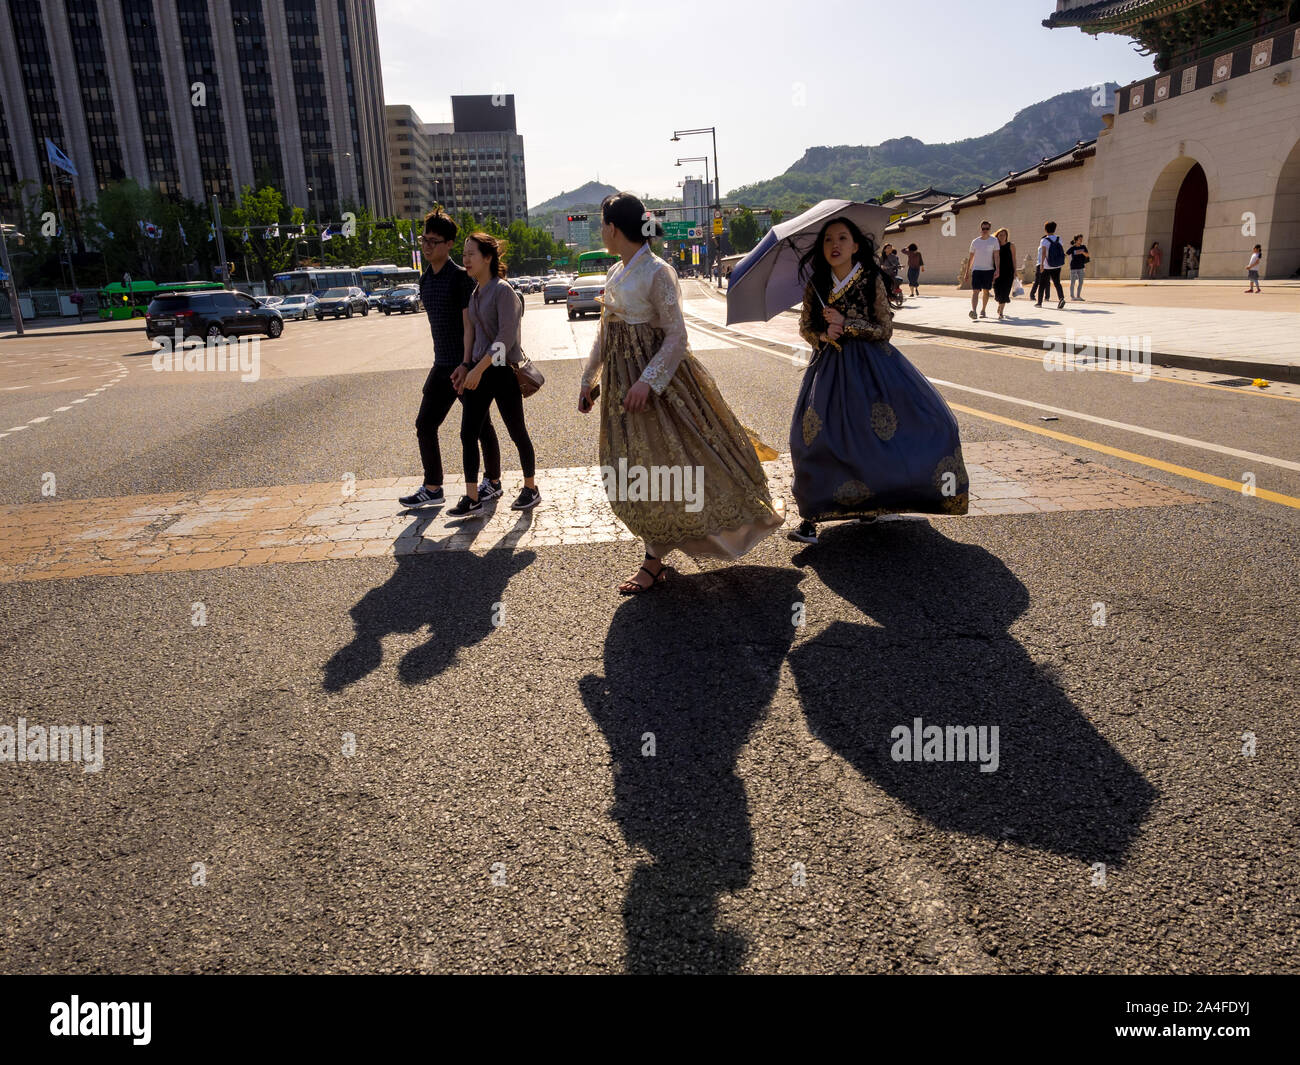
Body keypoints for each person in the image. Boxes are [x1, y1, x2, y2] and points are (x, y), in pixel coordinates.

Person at [578, 192, 782, 593]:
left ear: (614, 228)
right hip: (622, 386)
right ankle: (658, 545)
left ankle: (654, 560)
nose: (601, 231)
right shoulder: (616, 273)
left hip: (658, 388)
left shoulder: (658, 272)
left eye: (602, 224)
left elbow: (676, 336)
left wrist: (647, 382)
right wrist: (589, 379)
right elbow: (606, 332)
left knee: (672, 461)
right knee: (636, 467)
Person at [788, 217, 969, 546]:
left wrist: (848, 323)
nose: (835, 245)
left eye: (842, 238)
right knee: (815, 439)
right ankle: (810, 518)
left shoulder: (871, 280)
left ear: (855, 246)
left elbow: (884, 329)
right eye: (828, 240)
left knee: (890, 432)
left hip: (874, 369)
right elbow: (805, 328)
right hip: (829, 370)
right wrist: (823, 333)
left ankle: (872, 500)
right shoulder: (817, 284)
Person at [399, 210, 502, 510]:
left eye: (434, 241)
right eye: (424, 240)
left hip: (466, 364)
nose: (427, 246)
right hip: (441, 364)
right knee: (425, 423)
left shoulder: (460, 279)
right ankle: (433, 487)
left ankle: (493, 482)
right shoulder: (425, 280)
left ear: (450, 244)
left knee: (480, 425)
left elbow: (470, 326)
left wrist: (469, 365)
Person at [451, 233, 539, 516]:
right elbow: (472, 334)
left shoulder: (503, 291)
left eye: (470, 254)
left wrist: (479, 367)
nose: (465, 260)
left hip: (501, 372)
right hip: (479, 370)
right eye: (464, 255)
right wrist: (466, 366)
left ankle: (531, 488)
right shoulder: (475, 293)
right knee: (467, 433)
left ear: (487, 257)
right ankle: (472, 496)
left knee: (516, 431)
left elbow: (505, 340)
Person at [966, 220, 1000, 319]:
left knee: (986, 291)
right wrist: (967, 271)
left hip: (989, 270)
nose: (985, 230)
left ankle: (983, 310)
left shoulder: (994, 241)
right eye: (983, 228)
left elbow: (997, 256)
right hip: (976, 270)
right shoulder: (975, 242)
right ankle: (974, 311)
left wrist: (997, 269)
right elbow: (971, 257)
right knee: (975, 291)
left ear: (989, 229)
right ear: (980, 229)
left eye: (987, 228)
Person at [1036, 220, 1066, 309]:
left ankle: (1039, 302)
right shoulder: (1059, 238)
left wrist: (1041, 264)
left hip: (1047, 265)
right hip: (1057, 265)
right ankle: (1061, 298)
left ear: (1045, 230)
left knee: (1042, 284)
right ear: (1054, 229)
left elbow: (1044, 253)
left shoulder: (1044, 240)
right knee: (1057, 283)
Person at [992, 228, 1016, 319]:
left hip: (1008, 272)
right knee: (998, 292)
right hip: (997, 272)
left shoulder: (1011, 245)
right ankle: (1000, 305)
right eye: (1000, 235)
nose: (1002, 237)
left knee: (1005, 293)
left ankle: (1001, 312)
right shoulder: (995, 246)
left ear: (1007, 236)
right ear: (997, 236)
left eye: (1004, 235)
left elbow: (1014, 259)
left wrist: (1015, 271)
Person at [1068, 234, 1090, 300]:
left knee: (1081, 282)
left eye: (1081, 239)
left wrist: (1082, 252)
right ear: (1076, 240)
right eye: (1079, 239)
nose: (1081, 240)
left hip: (1081, 267)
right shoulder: (1072, 248)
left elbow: (1087, 255)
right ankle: (1072, 297)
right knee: (1073, 282)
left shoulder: (1083, 247)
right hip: (1073, 267)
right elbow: (1066, 254)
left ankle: (1078, 296)